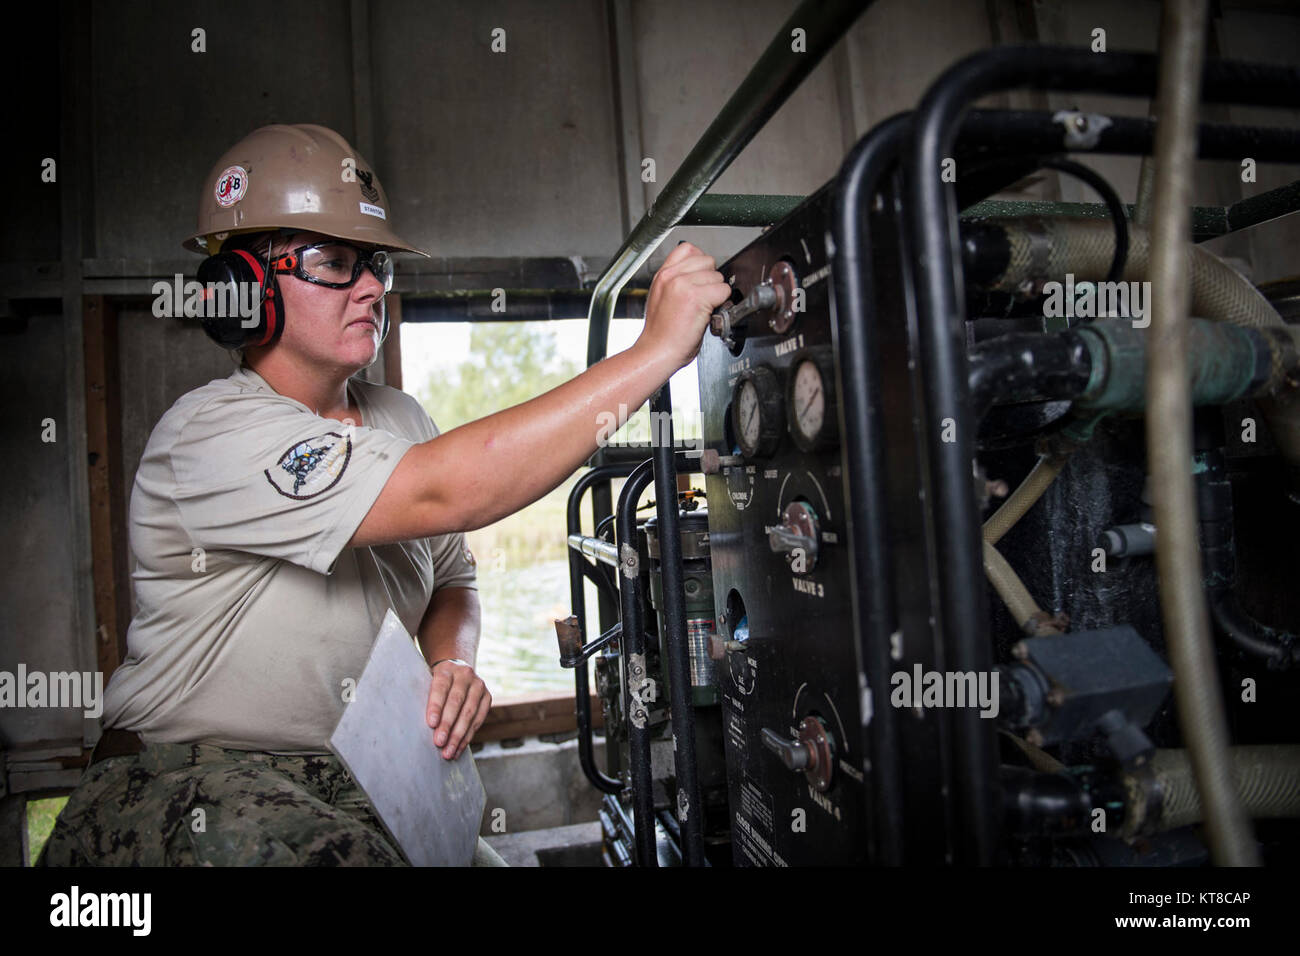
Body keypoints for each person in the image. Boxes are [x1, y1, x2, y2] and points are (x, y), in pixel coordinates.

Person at [37, 123, 730, 866]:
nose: (371, 286)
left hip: (361, 779)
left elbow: (453, 577)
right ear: (241, 287)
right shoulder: (208, 434)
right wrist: (653, 353)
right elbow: (443, 492)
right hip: (192, 778)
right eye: (335, 262)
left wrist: (450, 663)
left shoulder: (399, 418)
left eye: (375, 266)